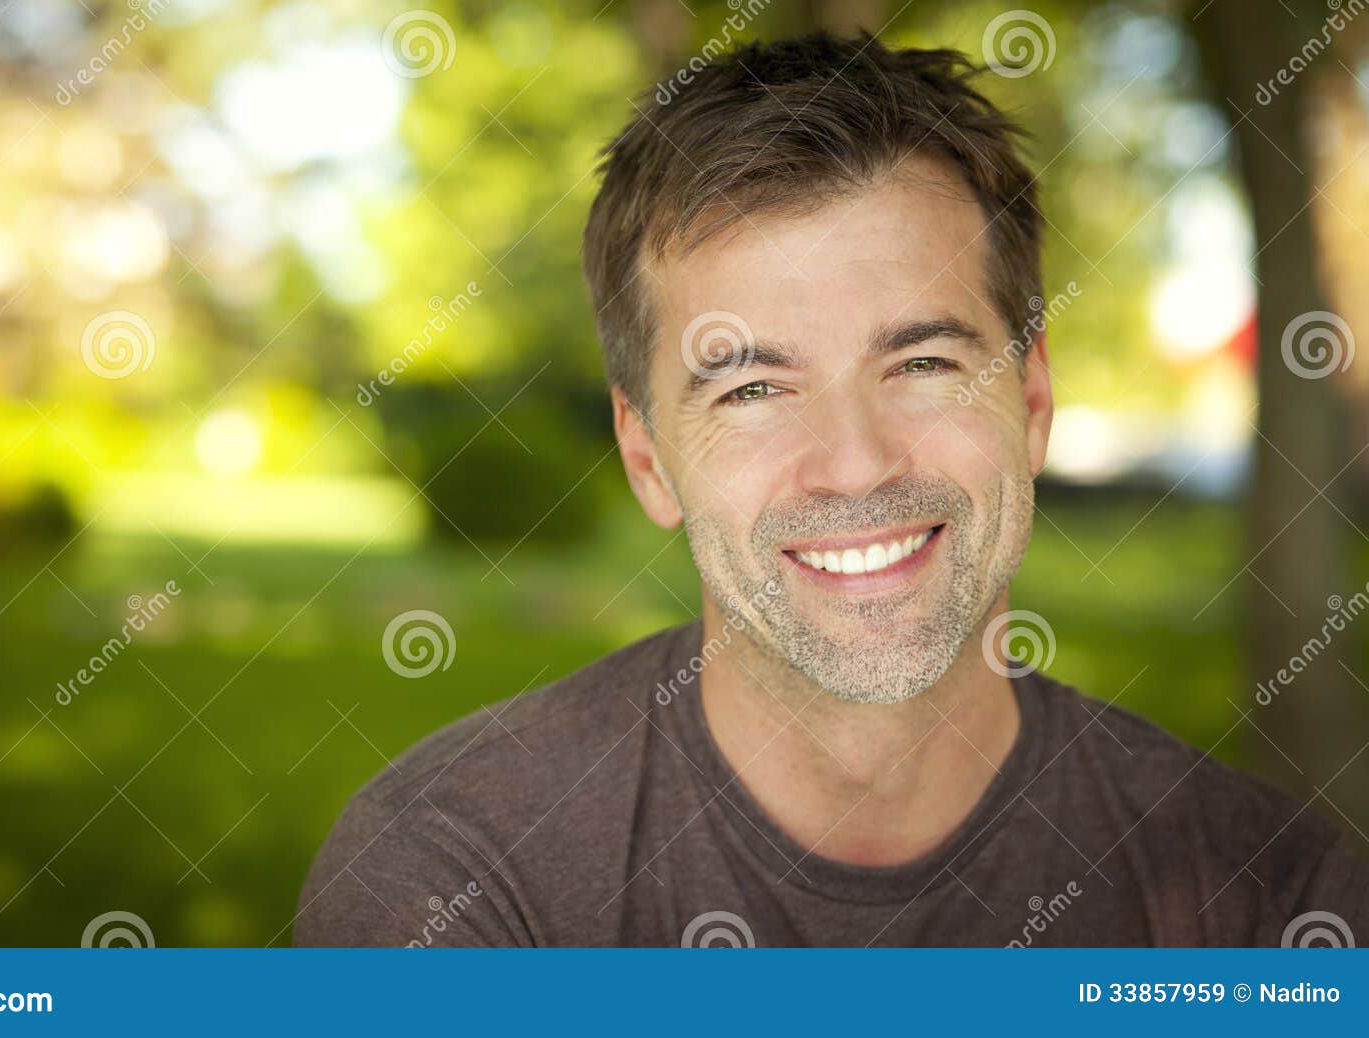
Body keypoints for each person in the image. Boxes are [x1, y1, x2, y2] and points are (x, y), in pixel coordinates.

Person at [293, 31, 1368, 947]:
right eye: (753, 387)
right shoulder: (457, 883)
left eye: (922, 364)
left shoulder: (1271, 904)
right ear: (648, 458)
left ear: (1030, 402)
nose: (856, 462)